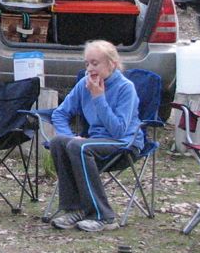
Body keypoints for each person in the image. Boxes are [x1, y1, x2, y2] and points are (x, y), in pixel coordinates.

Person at [47, 40, 143, 233]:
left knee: (79, 147)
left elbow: (119, 131)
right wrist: (69, 136)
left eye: (95, 63)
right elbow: (59, 114)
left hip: (124, 144)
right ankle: (75, 209)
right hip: (94, 142)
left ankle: (103, 216)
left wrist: (99, 97)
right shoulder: (84, 84)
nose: (90, 68)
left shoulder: (126, 88)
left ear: (111, 64)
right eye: (87, 64)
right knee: (58, 142)